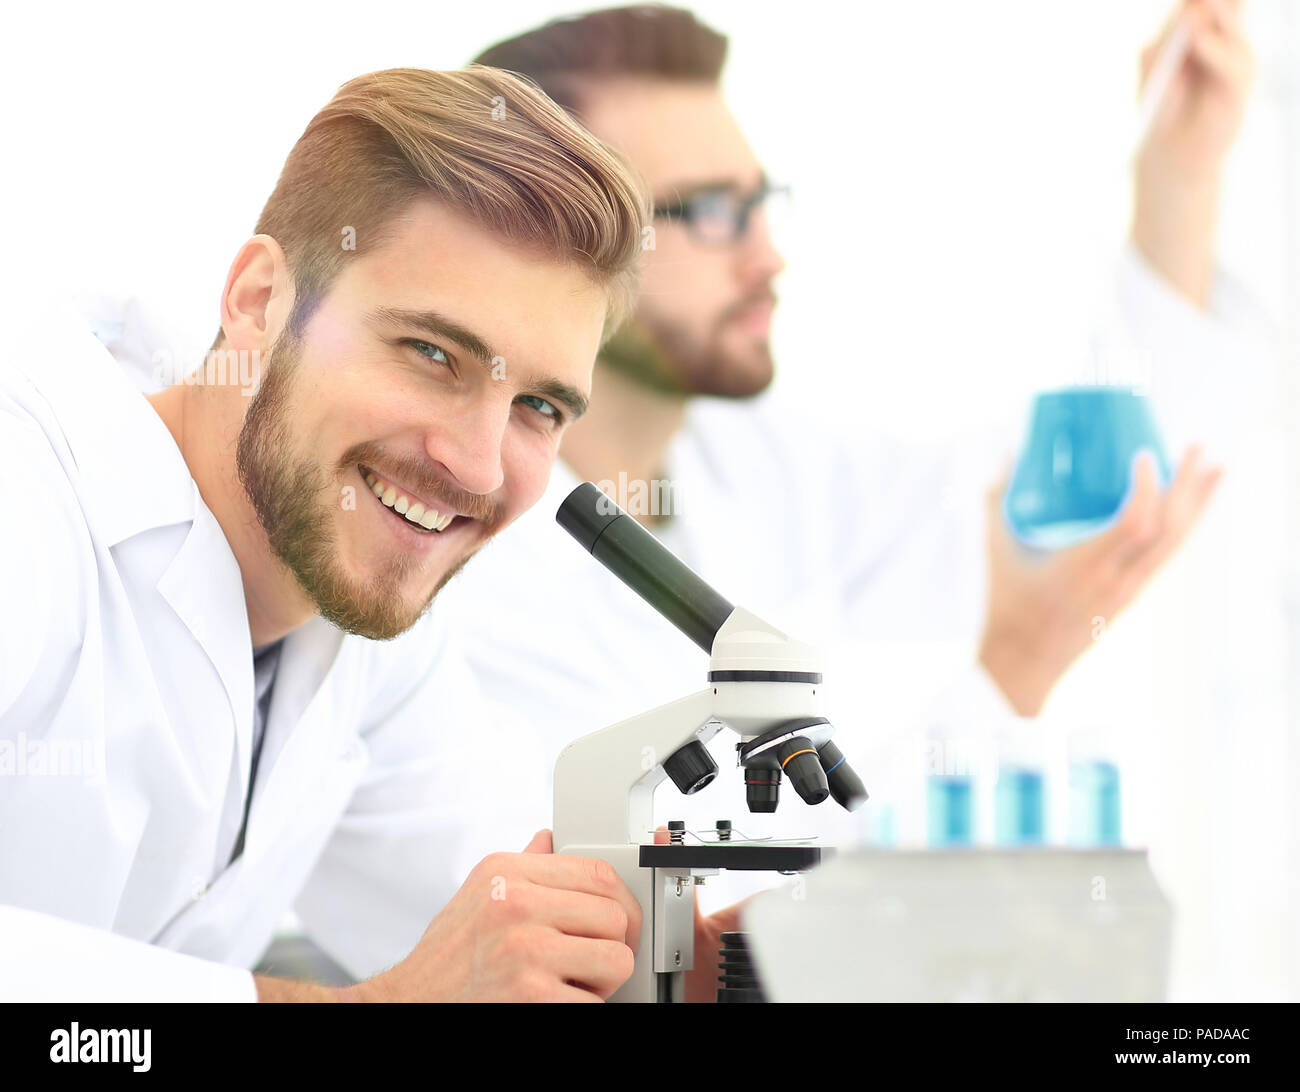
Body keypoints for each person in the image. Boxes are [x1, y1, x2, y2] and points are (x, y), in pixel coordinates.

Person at [443, 2, 1265, 861]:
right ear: (541, 245)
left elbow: (1092, 483)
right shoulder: (465, 565)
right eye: (712, 212)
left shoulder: (760, 463)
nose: (769, 256)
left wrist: (1180, 177)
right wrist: (1015, 665)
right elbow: (682, 928)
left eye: (761, 203)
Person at [0, 65, 725, 1003]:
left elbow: (533, 917)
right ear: (259, 301)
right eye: (432, 354)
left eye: (539, 405)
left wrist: (757, 957)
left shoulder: (367, 634)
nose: (475, 465)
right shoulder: (27, 505)